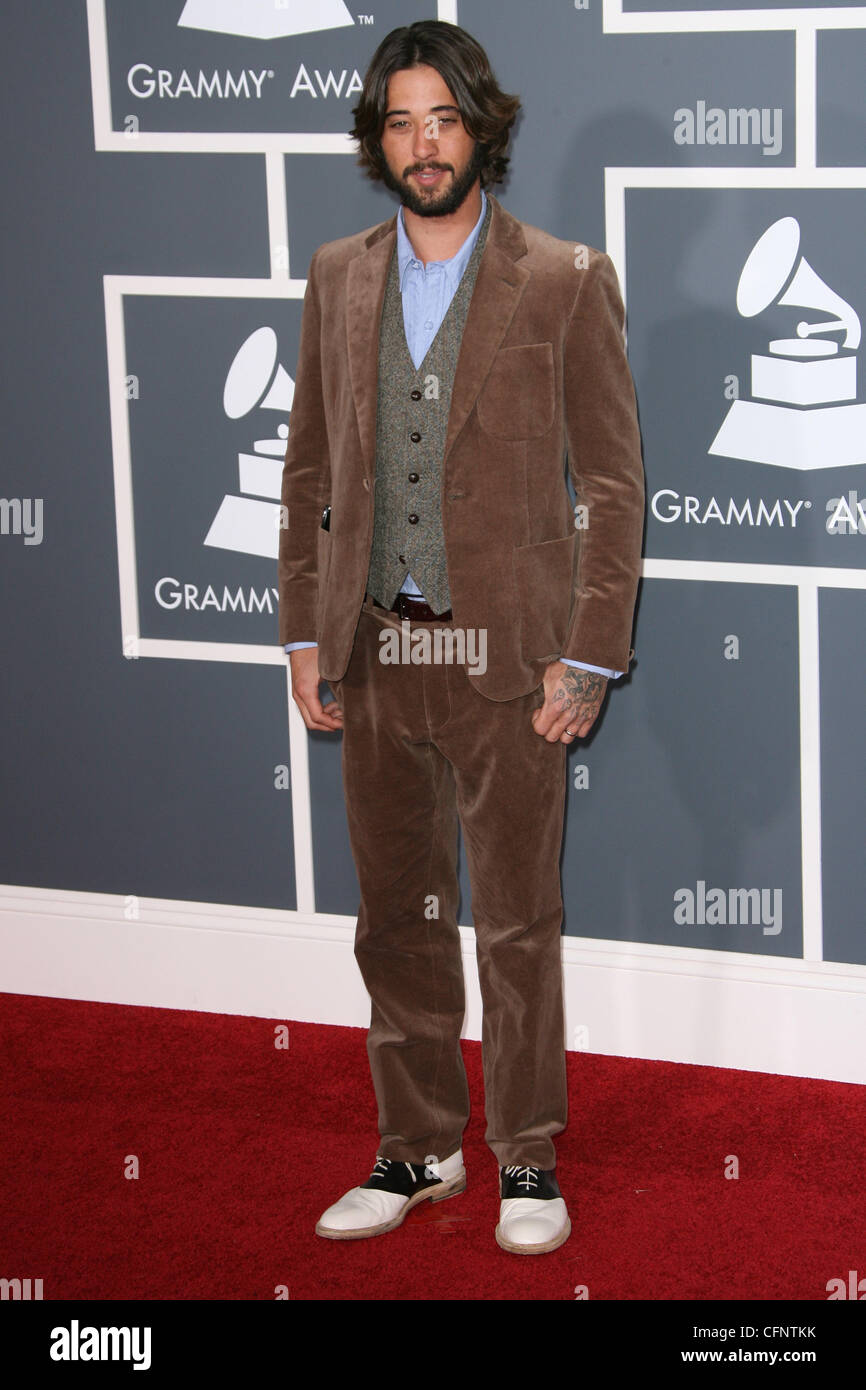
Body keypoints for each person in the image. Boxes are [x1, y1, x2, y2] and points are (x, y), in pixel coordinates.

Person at [278, 19, 644, 1256]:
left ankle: (527, 1157)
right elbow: (308, 468)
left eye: (442, 118)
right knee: (395, 917)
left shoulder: (563, 278)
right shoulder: (337, 275)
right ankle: (420, 1142)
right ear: (376, 141)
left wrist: (587, 655)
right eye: (398, 121)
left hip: (509, 665)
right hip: (378, 652)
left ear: (480, 128)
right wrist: (298, 632)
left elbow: (612, 482)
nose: (422, 144)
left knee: (518, 920)